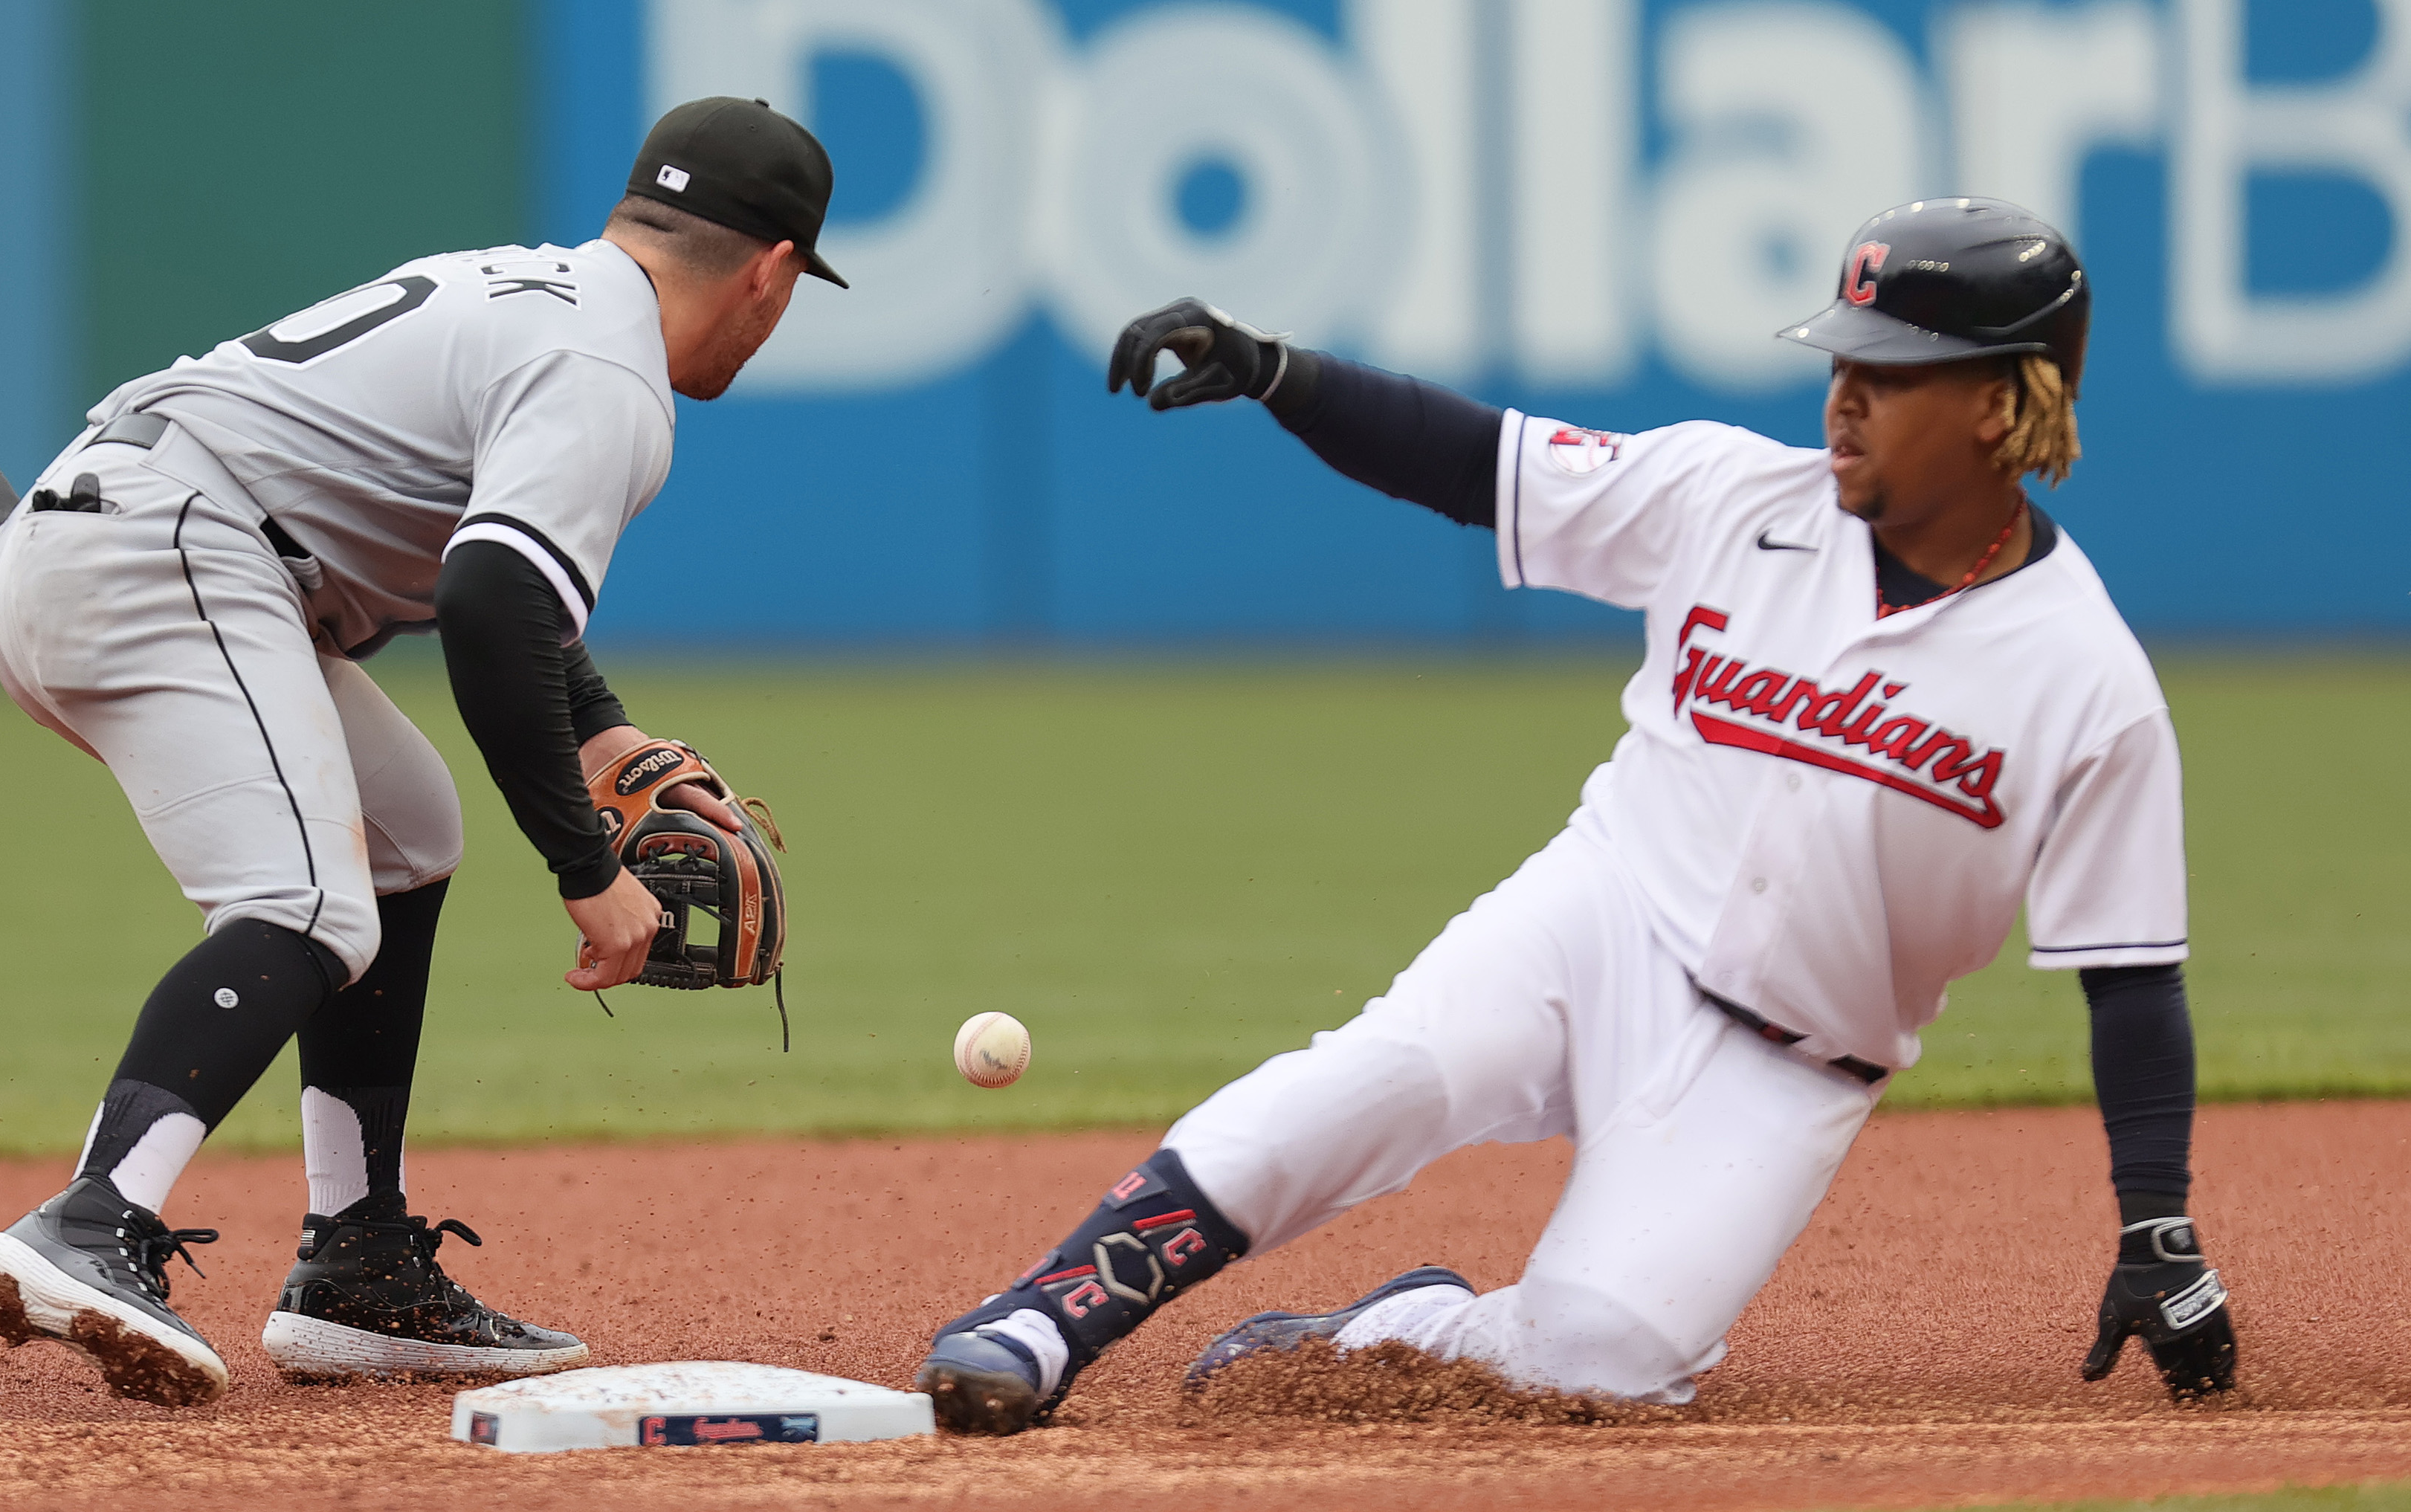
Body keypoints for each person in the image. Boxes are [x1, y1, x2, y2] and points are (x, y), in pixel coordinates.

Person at [914, 198, 2234, 1434]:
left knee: (1606, 1356)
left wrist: (2156, 1227)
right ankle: (1045, 1313)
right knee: (1378, 1078)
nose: (1842, 397)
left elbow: (2130, 980)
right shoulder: (1732, 496)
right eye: (1842, 359)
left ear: (2007, 402)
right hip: (1600, 919)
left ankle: (1411, 1322)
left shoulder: (2086, 681)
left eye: (1888, 374)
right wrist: (1275, 371)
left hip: (1793, 1059)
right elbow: (1474, 460)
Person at [0, 97, 843, 1407]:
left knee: (405, 836)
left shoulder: (537, 294)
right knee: (305, 898)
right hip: (170, 548)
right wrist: (586, 863)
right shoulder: (613, 376)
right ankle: (90, 1220)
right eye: (792, 289)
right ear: (771, 272)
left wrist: (601, 734)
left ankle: (355, 1259)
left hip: (120, 532)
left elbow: (489, 574)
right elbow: (490, 601)